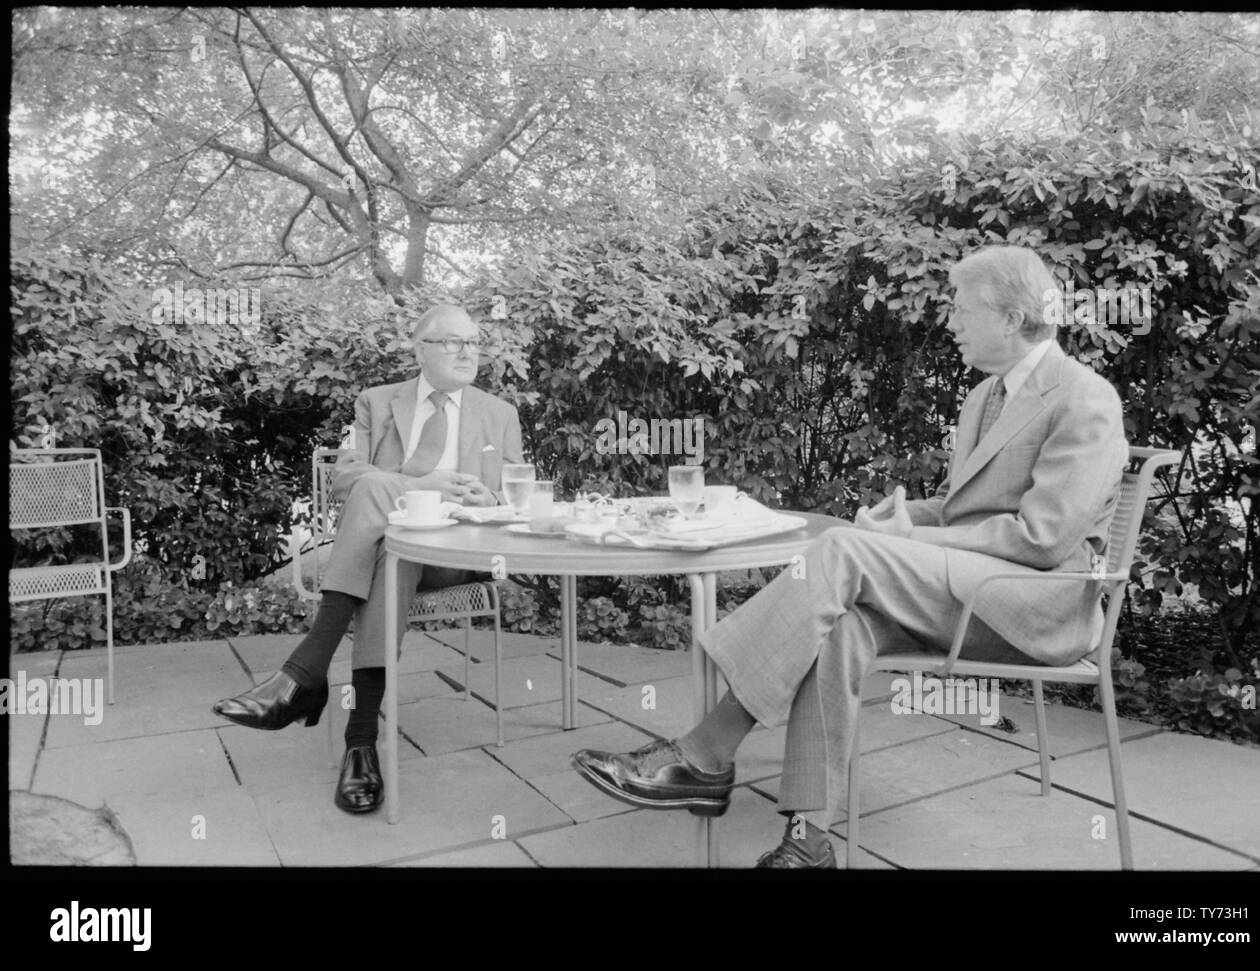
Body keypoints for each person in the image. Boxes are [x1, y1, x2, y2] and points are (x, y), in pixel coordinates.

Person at [571, 246, 1129, 867]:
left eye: (962, 309)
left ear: (1011, 317)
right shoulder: (985, 398)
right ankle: (809, 842)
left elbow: (1043, 537)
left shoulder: (1087, 399)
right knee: (839, 626)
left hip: (1035, 603)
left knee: (839, 549)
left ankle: (704, 750)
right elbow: (960, 510)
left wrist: (905, 543)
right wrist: (904, 519)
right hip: (964, 589)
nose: (951, 321)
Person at [214, 304, 524, 814]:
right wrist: (417, 486)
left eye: (474, 340)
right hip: (387, 551)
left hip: (452, 556)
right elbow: (344, 479)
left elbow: (514, 497)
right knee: (385, 546)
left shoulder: (499, 414)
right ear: (420, 349)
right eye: (452, 341)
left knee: (381, 493)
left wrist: (488, 500)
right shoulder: (377, 403)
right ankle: (360, 744)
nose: (468, 350)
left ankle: (304, 675)